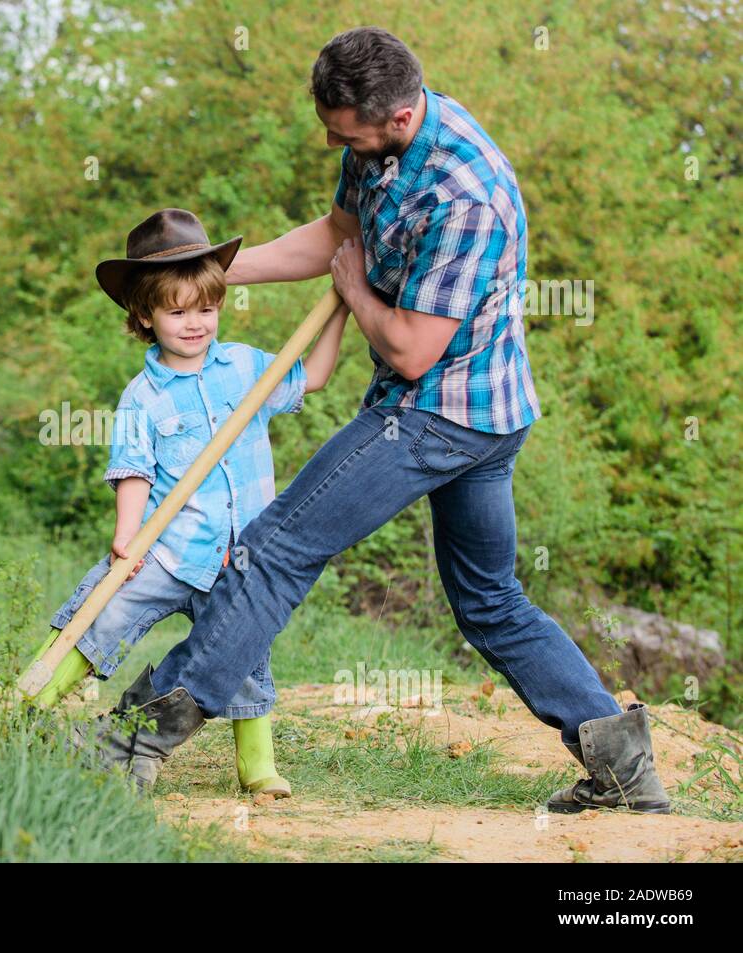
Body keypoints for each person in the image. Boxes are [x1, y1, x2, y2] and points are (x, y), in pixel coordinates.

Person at [75, 29, 671, 815]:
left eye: (342, 133)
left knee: (273, 548)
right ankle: (626, 772)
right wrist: (201, 273)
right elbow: (334, 235)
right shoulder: (381, 141)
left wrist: (354, 290)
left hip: (442, 415)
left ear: (395, 116)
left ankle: (136, 738)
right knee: (490, 600)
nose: (331, 143)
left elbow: (413, 348)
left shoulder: (467, 197)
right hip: (480, 409)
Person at [26, 207, 348, 795]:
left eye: (207, 308)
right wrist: (127, 536)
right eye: (177, 312)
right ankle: (28, 700)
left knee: (246, 658)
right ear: (144, 315)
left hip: (240, 558)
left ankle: (259, 768)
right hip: (168, 550)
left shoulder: (248, 367)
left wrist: (342, 303)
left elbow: (317, 375)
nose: (195, 323)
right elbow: (133, 471)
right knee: (103, 613)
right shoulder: (142, 396)